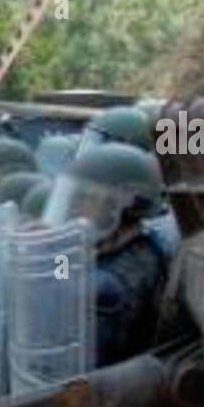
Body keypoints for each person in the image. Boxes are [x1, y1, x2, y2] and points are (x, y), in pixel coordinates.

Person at [40, 142, 170, 367]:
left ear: (118, 207)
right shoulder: (106, 248)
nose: (73, 208)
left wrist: (46, 256)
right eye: (74, 197)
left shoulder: (129, 269)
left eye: (84, 199)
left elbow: (74, 296)